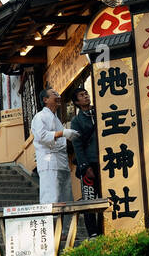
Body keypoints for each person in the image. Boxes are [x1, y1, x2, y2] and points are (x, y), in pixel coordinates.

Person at [30, 86, 79, 205]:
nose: (58, 96)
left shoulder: (56, 119)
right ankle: (51, 223)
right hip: (49, 162)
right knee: (51, 198)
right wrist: (62, 133)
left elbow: (59, 140)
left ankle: (66, 224)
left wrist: (68, 138)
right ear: (45, 100)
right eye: (54, 94)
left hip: (61, 162)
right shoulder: (40, 116)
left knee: (66, 198)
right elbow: (41, 136)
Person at [70, 87, 103, 236]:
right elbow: (77, 145)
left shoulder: (100, 111)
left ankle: (105, 228)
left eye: (86, 94)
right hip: (89, 163)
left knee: (106, 195)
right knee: (89, 199)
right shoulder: (76, 121)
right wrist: (85, 166)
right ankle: (93, 233)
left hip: (106, 160)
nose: (86, 96)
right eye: (82, 96)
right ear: (76, 102)